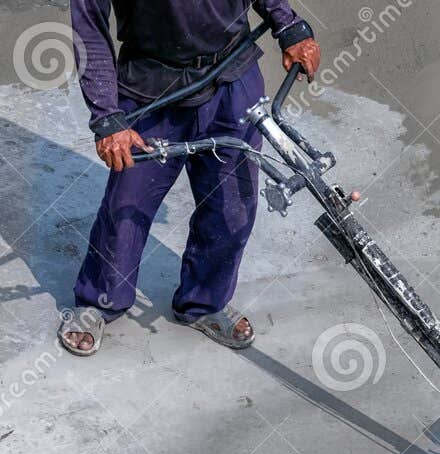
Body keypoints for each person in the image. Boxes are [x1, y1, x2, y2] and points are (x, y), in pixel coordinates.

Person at [60, 1, 322, 355]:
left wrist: (288, 24)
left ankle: (204, 302)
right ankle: (100, 299)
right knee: (127, 205)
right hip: (151, 86)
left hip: (232, 74)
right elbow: (88, 27)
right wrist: (107, 116)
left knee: (234, 206)